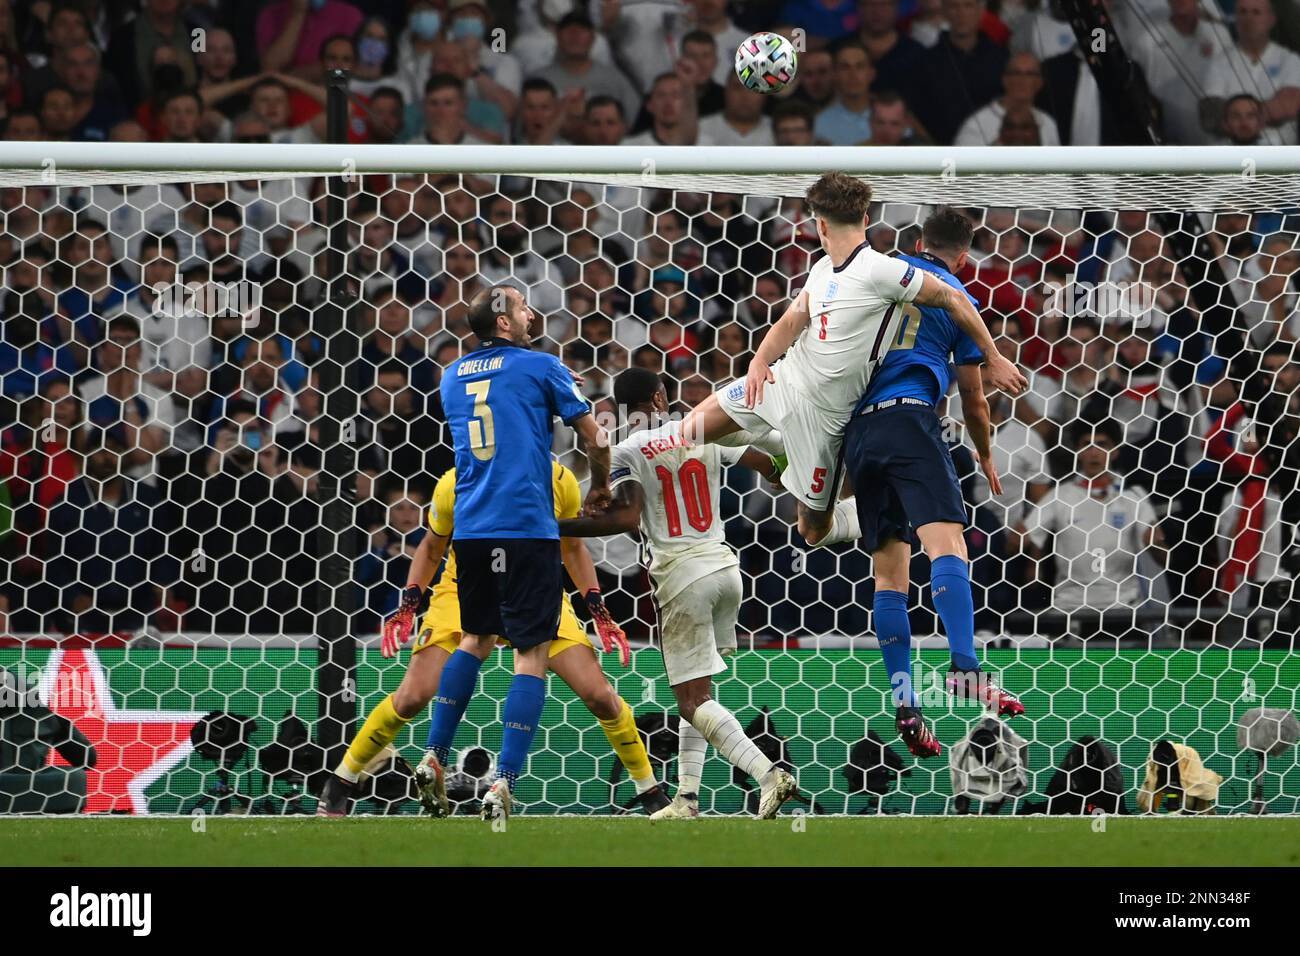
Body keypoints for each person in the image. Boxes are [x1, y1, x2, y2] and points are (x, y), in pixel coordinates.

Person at [681, 172, 1026, 551]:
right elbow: (793, 318)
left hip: (832, 418)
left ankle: (862, 507)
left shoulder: (883, 269)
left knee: (812, 532)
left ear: (821, 224)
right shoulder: (822, 268)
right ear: (865, 220)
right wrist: (759, 360)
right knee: (690, 432)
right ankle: (771, 452)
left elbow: (953, 299)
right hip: (788, 382)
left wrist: (993, 356)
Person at [317, 461, 670, 817]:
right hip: (463, 591)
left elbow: (573, 548)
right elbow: (432, 546)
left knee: (600, 696)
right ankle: (342, 780)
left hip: (539, 589)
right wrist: (409, 604)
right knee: (412, 696)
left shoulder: (558, 479)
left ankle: (649, 790)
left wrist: (597, 607)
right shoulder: (455, 480)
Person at [558, 369, 798, 820]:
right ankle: (686, 799)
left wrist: (552, 528)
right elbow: (768, 467)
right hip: (726, 569)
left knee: (691, 699)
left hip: (681, 575)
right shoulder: (700, 428)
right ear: (661, 396)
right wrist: (793, 476)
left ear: (621, 408)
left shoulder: (626, 450)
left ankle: (769, 775)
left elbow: (626, 519)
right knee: (701, 691)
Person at [416, 284, 613, 821]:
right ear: (504, 322)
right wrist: (600, 485)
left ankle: (433, 754)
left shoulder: (451, 376)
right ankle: (503, 780)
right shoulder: (540, 365)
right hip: (527, 525)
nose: (532, 313)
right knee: (532, 652)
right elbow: (595, 439)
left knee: (476, 639)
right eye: (523, 306)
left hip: (472, 527)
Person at [840, 208, 1027, 759]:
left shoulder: (873, 274)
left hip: (859, 434)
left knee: (888, 574)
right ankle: (966, 669)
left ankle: (904, 700)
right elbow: (972, 397)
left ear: (918, 242)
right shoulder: (954, 297)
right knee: (947, 546)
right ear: (964, 256)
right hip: (911, 420)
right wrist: (986, 453)